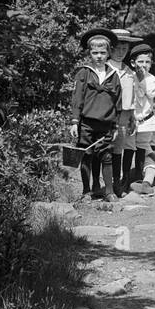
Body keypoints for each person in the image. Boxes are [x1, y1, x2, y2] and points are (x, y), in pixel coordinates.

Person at [69, 29, 122, 208]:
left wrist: (115, 125)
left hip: (106, 123)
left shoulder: (114, 75)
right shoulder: (84, 73)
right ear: (89, 53)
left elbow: (118, 102)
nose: (99, 56)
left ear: (109, 53)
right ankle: (86, 191)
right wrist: (75, 121)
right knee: (87, 155)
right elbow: (77, 98)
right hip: (87, 123)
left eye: (103, 52)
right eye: (95, 53)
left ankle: (109, 191)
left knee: (106, 156)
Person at [109, 28, 138, 196]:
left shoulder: (128, 71)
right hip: (110, 115)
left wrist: (132, 116)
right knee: (111, 149)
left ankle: (123, 181)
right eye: (117, 48)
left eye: (124, 49)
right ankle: (111, 183)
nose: (120, 52)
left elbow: (131, 96)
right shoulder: (106, 69)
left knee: (124, 146)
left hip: (126, 115)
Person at [127, 42, 155, 184]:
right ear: (133, 63)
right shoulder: (129, 77)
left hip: (146, 119)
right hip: (131, 119)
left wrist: (142, 81)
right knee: (128, 147)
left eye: (147, 62)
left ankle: (139, 176)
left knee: (141, 147)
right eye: (140, 62)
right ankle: (126, 176)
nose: (144, 65)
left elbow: (151, 95)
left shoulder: (153, 81)